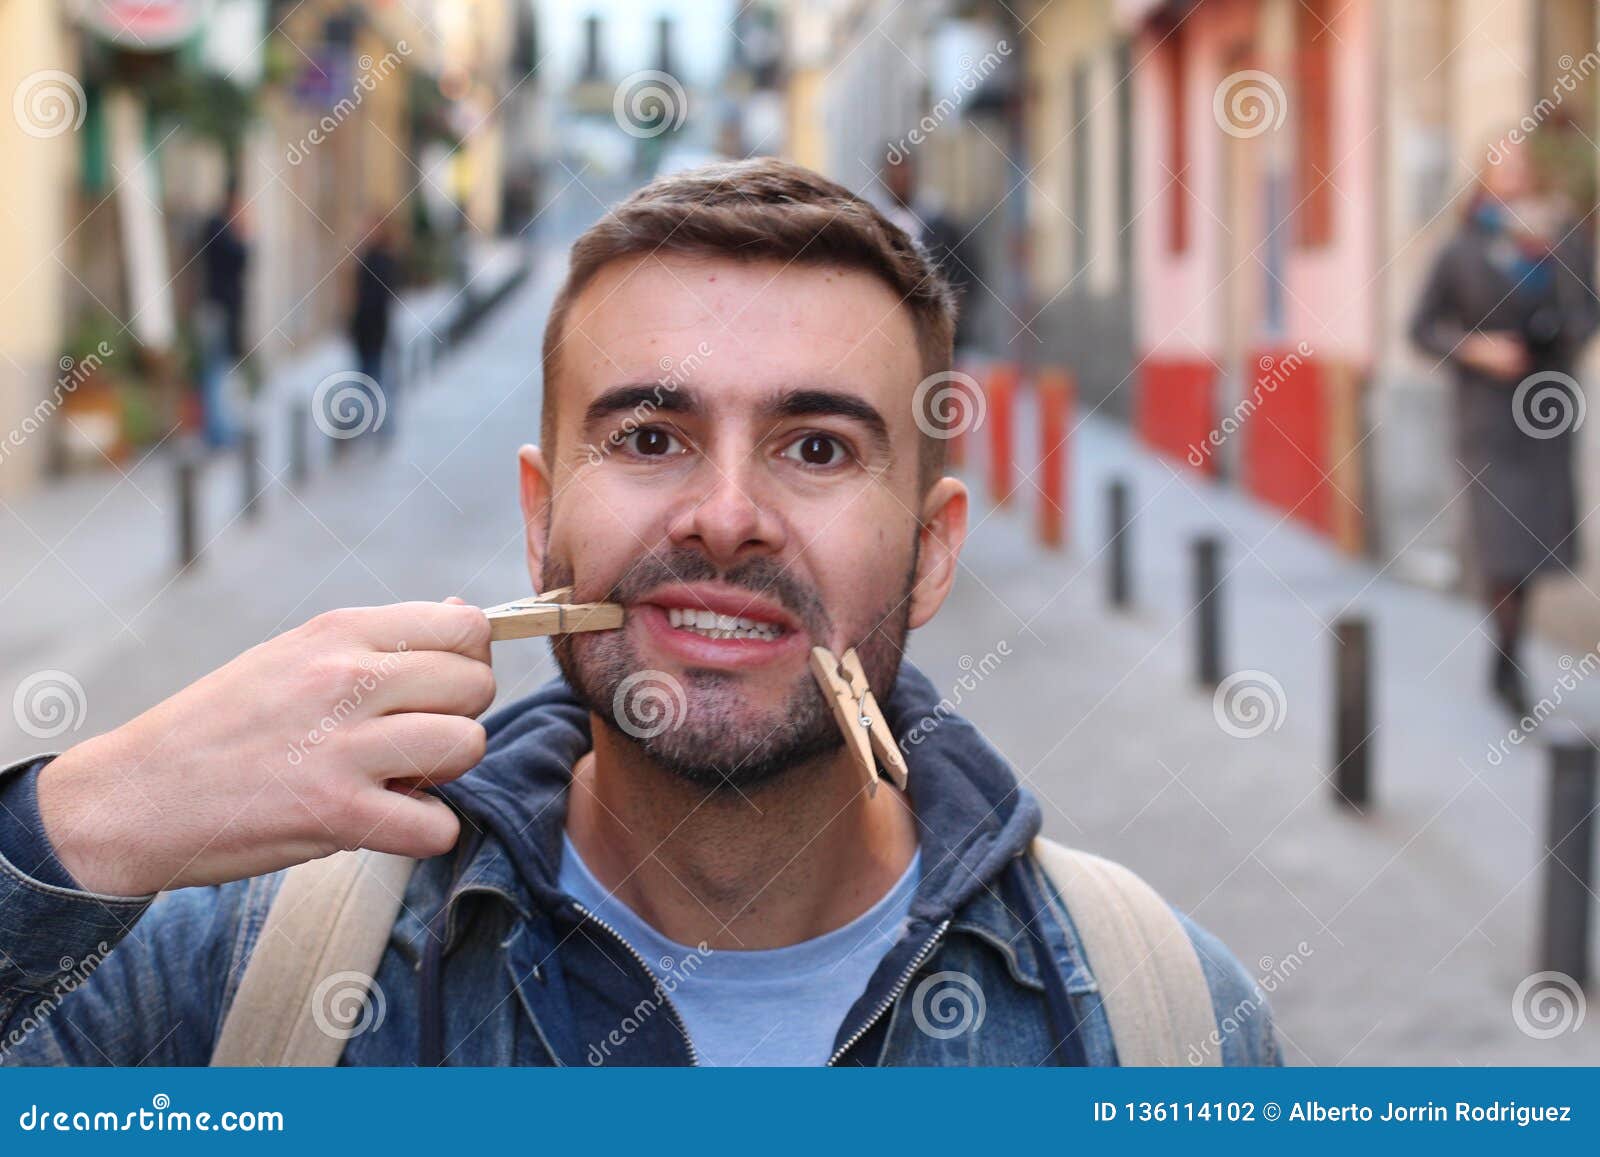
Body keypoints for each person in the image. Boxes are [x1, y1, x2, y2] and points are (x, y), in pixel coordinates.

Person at [0, 160, 1277, 1067]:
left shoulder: (1156, 1024)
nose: (726, 516)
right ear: (539, 520)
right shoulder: (244, 983)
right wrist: (81, 825)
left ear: (932, 551)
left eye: (818, 448)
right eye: (652, 435)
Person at [1410, 141, 1600, 716]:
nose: (1516, 178)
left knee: (1536, 542)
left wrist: (1561, 301)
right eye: (1505, 168)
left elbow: (1589, 316)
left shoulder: (1564, 241)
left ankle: (1506, 650)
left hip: (1546, 409)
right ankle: (1508, 658)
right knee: (1501, 543)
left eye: (1523, 167)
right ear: (1486, 179)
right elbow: (1422, 329)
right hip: (1488, 417)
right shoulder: (1460, 251)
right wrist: (1475, 350)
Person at [880, 152, 981, 349]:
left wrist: (954, 310)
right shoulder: (875, 223)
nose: (901, 180)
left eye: (905, 173)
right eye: (895, 174)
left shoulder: (939, 223)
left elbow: (967, 270)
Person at [196, 182, 251, 448]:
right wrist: (242, 233)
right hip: (217, 310)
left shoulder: (216, 228)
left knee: (218, 370)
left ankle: (220, 429)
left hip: (217, 309)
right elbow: (241, 258)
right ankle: (217, 433)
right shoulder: (221, 230)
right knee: (215, 370)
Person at [348, 215, 402, 444]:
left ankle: (378, 426)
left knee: (373, 379)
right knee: (368, 378)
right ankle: (373, 426)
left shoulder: (380, 261)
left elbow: (378, 298)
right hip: (365, 330)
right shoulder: (367, 258)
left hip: (374, 330)